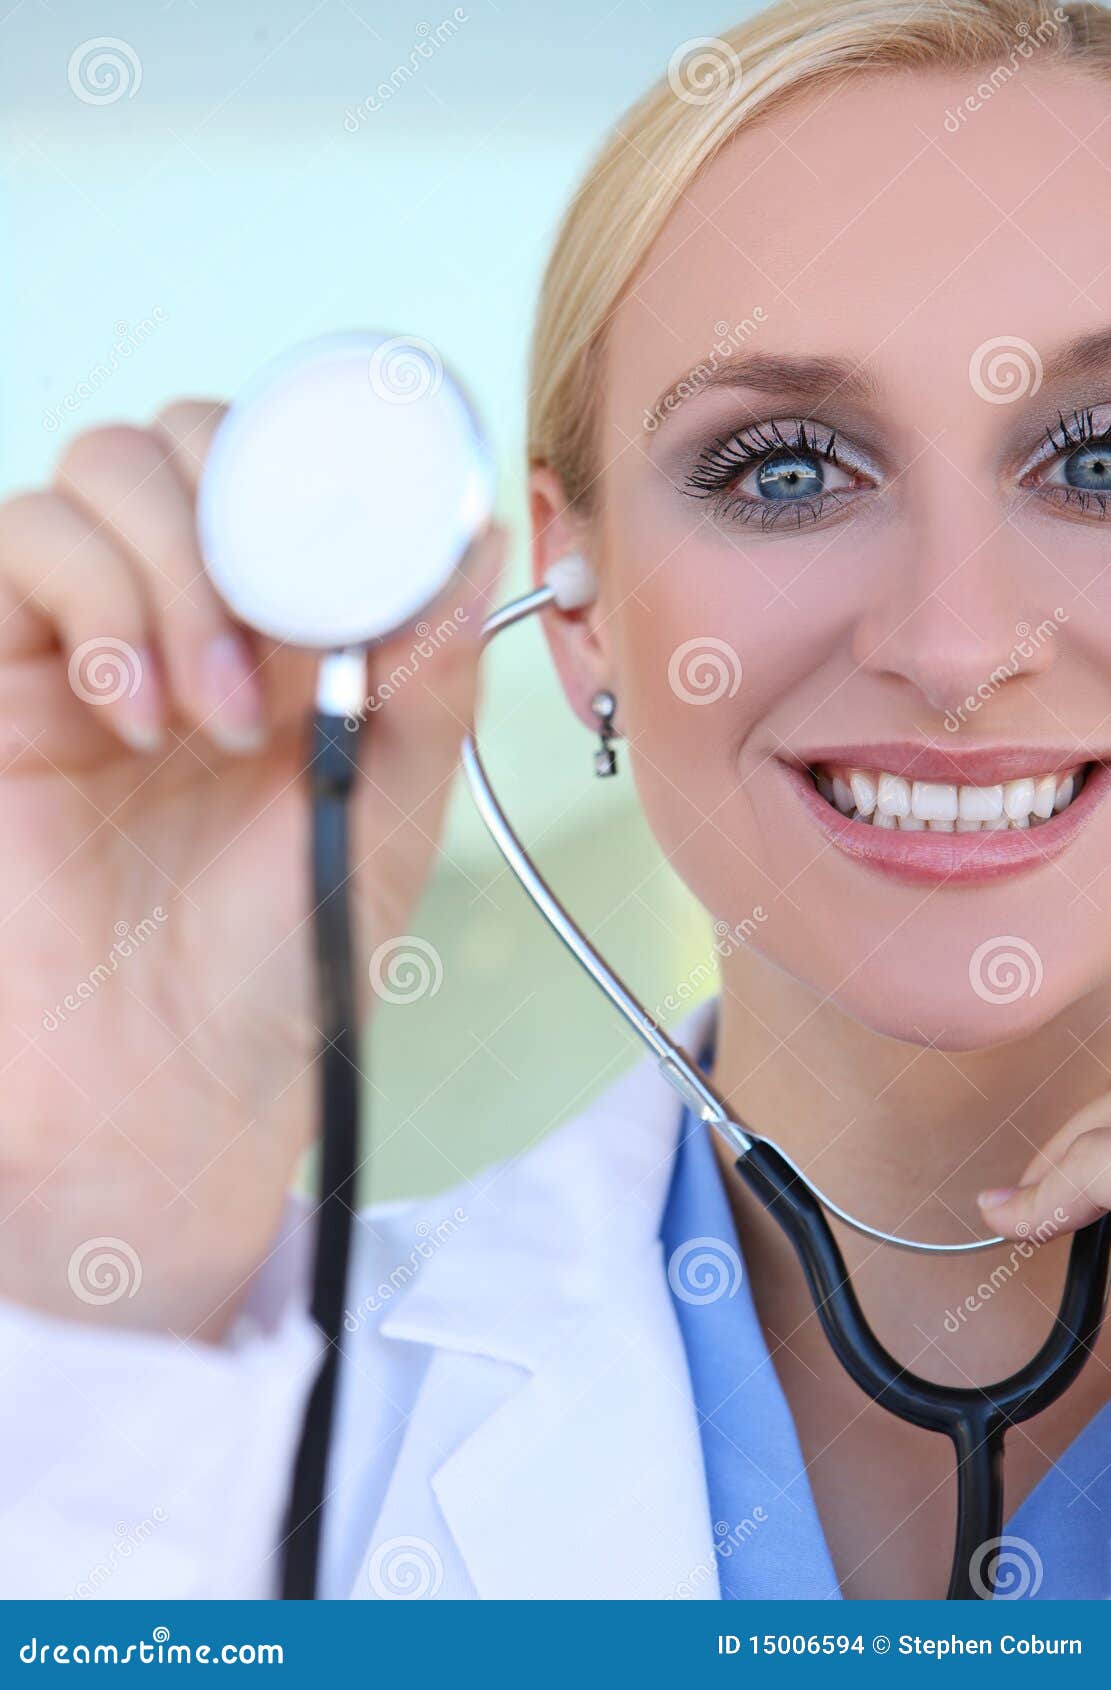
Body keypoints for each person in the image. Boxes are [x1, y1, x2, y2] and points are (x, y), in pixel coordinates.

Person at [4, 0, 1111, 1603]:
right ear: (580, 606)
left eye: (1100, 461)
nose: (953, 644)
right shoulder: (150, 1387)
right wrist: (82, 1247)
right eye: (789, 471)